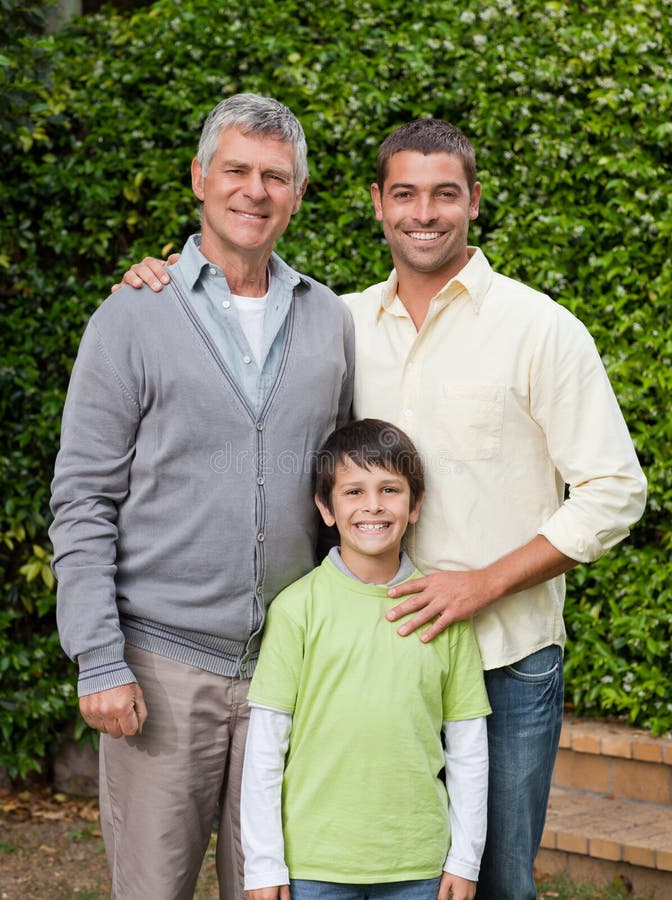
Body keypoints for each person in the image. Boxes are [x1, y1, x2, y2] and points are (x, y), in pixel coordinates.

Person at [116, 117, 647, 899]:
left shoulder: (541, 329)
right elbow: (240, 313)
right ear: (376, 202)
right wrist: (168, 275)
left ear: (473, 201)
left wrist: (482, 583)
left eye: (444, 195)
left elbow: (614, 491)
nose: (423, 213)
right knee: (351, 860)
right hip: (358, 665)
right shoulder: (339, 322)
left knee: (492, 881)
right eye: (404, 194)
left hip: (500, 659)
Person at [49, 93, 354, 900]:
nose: (255, 191)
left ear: (298, 194)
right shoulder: (132, 316)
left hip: (290, 672)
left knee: (275, 890)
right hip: (161, 670)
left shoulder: (328, 317)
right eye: (237, 171)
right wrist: (99, 657)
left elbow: (346, 491)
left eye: (276, 177)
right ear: (199, 178)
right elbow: (82, 498)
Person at [241, 418, 491, 900]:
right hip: (313, 864)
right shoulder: (297, 610)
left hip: (418, 864)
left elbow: (468, 747)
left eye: (390, 489)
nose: (373, 505)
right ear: (325, 507)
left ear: (415, 505)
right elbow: (266, 748)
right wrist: (264, 864)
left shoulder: (443, 612)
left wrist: (465, 858)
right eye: (353, 491)